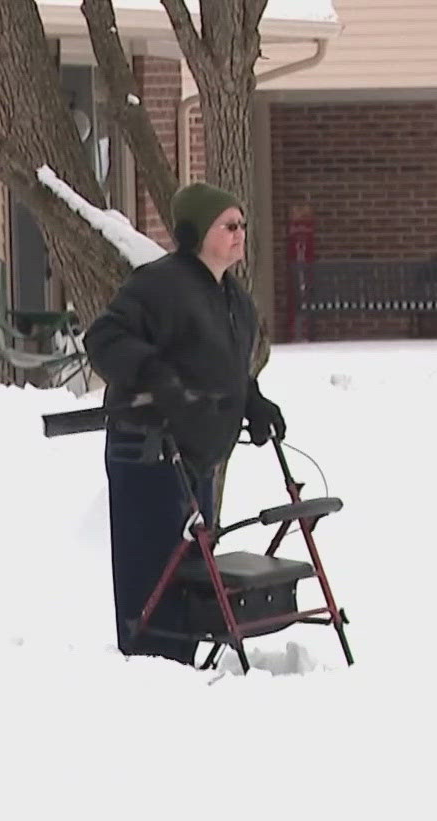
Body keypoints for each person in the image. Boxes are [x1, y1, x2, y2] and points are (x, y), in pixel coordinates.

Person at [83, 183, 288, 665]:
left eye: (242, 226)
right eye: (229, 226)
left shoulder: (234, 300)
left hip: (198, 451)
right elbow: (104, 338)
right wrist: (156, 375)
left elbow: (225, 368)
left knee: (193, 566)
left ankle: (186, 662)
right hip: (148, 451)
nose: (240, 235)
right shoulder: (159, 285)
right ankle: (151, 662)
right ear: (198, 233)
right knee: (154, 568)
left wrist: (252, 401)